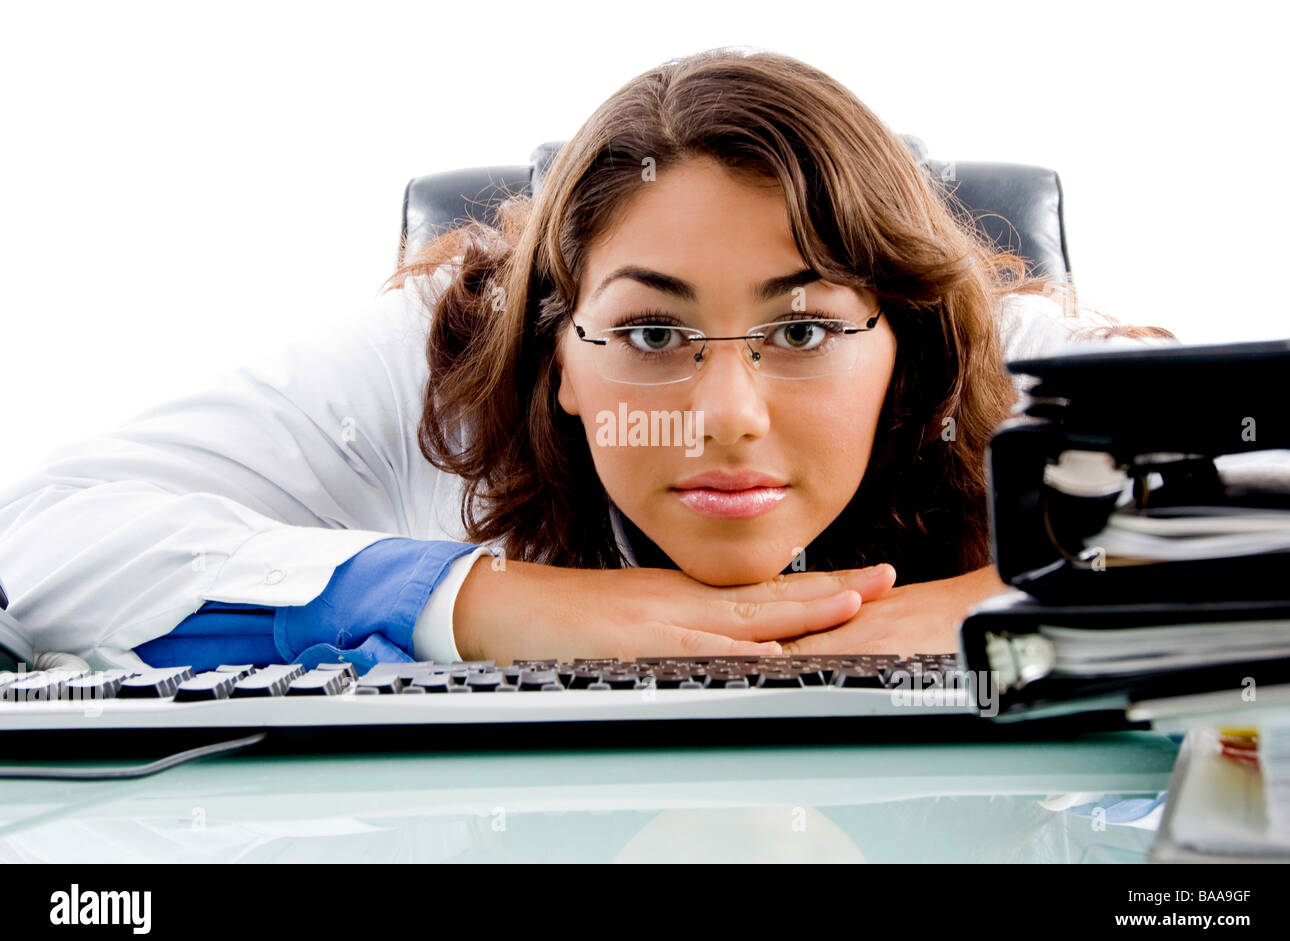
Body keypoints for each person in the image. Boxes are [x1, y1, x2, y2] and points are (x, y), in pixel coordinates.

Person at [0, 47, 1177, 673]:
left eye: (804, 331)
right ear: (558, 347)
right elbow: (43, 540)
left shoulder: (994, 362)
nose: (726, 416)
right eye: (654, 334)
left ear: (901, 352)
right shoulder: (441, 362)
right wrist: (487, 605)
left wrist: (1006, 600)